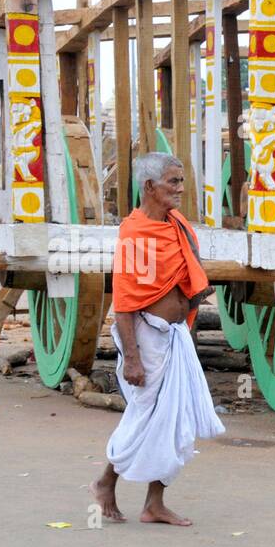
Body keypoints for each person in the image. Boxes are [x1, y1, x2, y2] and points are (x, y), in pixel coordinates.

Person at [90, 152, 223, 527]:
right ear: (149, 187)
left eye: (182, 181)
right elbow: (126, 301)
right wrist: (131, 358)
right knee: (146, 415)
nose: (181, 189)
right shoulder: (135, 234)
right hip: (147, 336)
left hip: (176, 335)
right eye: (173, 182)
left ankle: (154, 503)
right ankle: (105, 481)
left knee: (175, 418)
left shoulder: (175, 223)